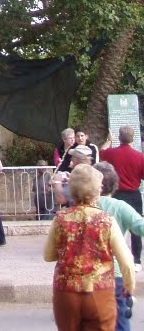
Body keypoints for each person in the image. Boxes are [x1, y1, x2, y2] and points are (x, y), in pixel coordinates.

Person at [44, 164, 135, 331]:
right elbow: (126, 261)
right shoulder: (106, 220)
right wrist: (128, 286)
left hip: (66, 293)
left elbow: (48, 255)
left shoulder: (60, 219)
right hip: (99, 292)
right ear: (96, 190)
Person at [96, 161, 144, 331]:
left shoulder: (82, 208)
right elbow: (141, 227)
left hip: (87, 274)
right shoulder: (120, 207)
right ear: (115, 185)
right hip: (115, 273)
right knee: (120, 318)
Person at [100, 126, 144, 271]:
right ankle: (137, 261)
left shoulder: (112, 154)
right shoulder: (140, 157)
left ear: (119, 138)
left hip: (116, 194)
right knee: (135, 227)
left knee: (114, 227)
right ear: (133, 138)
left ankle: (115, 258)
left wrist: (108, 140)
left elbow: (101, 152)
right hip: (134, 194)